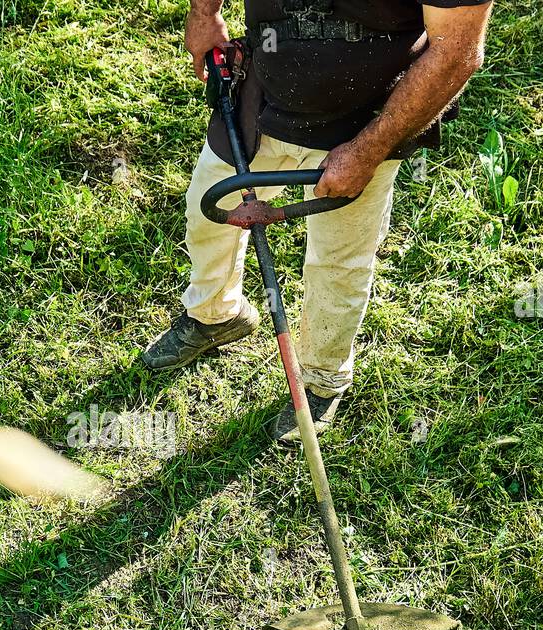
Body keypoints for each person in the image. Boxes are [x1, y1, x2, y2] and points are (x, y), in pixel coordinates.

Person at [142, 0, 493, 441]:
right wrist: (204, 13)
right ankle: (216, 315)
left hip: (367, 118)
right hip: (265, 91)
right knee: (206, 213)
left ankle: (323, 379)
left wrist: (371, 147)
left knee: (340, 259)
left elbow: (455, 52)